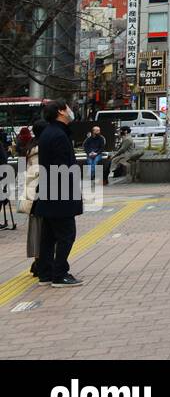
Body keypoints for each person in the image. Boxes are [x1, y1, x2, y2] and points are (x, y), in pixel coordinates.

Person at [33, 101, 85, 287]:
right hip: (60, 194)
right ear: (60, 112)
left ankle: (45, 274)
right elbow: (63, 167)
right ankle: (60, 274)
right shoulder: (59, 135)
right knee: (66, 234)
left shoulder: (48, 133)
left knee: (48, 237)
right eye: (68, 108)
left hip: (48, 191)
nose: (71, 111)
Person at [18, 130, 43, 278]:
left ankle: (37, 262)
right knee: (43, 230)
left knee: (34, 230)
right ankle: (41, 263)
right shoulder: (41, 151)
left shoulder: (30, 149)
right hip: (40, 195)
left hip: (31, 195)